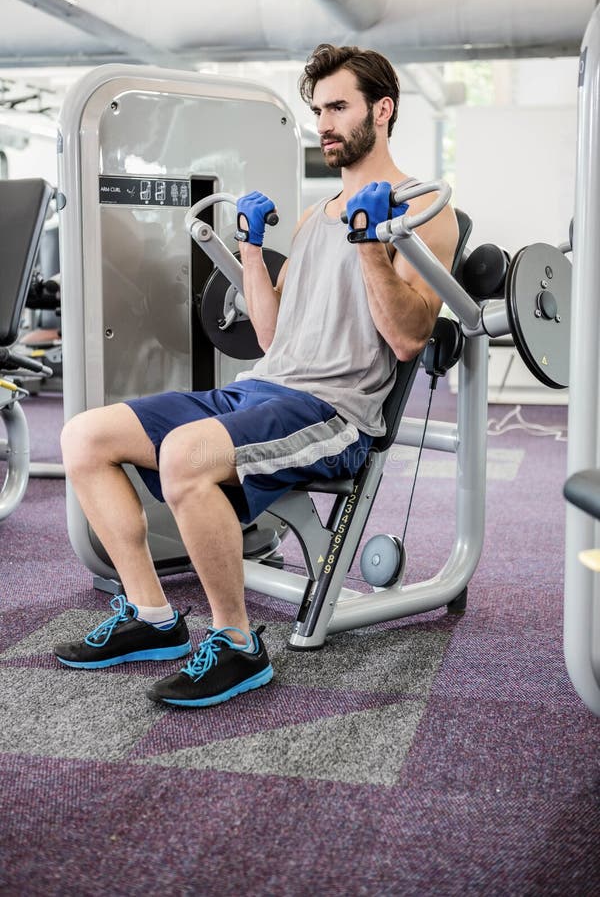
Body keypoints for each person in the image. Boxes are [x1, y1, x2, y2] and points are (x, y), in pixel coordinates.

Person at [54, 43, 458, 708]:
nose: (324, 123)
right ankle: (151, 616)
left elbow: (409, 336)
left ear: (382, 110)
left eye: (338, 107)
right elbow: (272, 338)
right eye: (318, 110)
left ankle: (238, 645)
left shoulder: (422, 208)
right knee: (86, 437)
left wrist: (372, 247)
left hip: (332, 409)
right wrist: (248, 250)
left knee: (185, 455)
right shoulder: (314, 216)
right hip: (264, 386)